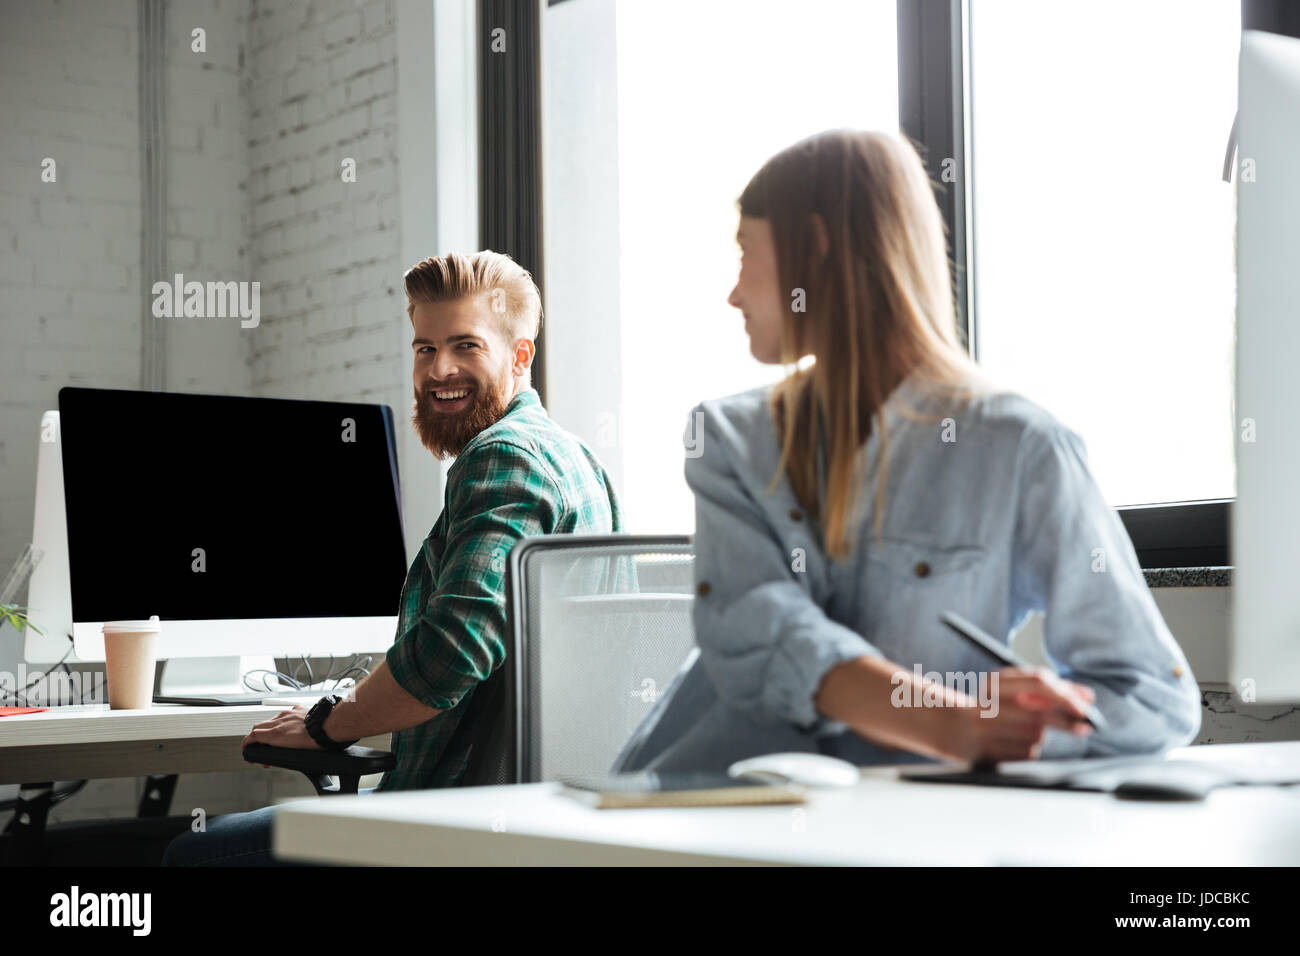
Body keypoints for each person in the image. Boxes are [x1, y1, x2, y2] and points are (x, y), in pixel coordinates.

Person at [614, 129, 1201, 775]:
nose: (732, 293)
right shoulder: (730, 437)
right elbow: (763, 628)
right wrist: (950, 723)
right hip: (712, 805)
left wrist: (1018, 728)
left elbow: (1154, 696)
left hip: (916, 826)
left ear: (815, 244)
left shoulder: (1022, 448)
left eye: (744, 250)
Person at [164, 250, 622, 865]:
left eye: (466, 346)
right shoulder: (580, 461)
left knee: (195, 853)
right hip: (542, 817)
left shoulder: (505, 457)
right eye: (425, 348)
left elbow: (451, 652)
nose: (440, 370)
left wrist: (327, 723)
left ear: (519, 356)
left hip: (455, 820)